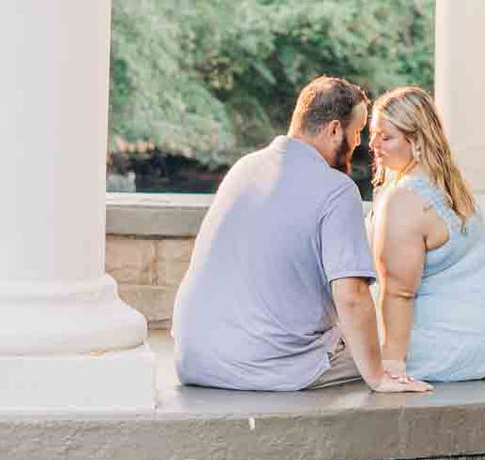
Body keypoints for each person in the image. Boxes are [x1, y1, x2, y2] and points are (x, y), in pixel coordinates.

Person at [171, 75, 429, 394]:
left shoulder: (245, 167)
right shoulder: (336, 190)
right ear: (335, 129)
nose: (361, 143)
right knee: (407, 352)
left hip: (194, 360)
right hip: (266, 368)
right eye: (357, 131)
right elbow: (352, 297)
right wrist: (379, 376)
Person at [368, 86, 485, 383]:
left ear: (417, 140)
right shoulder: (449, 180)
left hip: (461, 345)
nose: (372, 144)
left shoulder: (405, 200)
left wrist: (391, 365)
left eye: (386, 137)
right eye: (373, 134)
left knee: (343, 337)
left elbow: (399, 291)